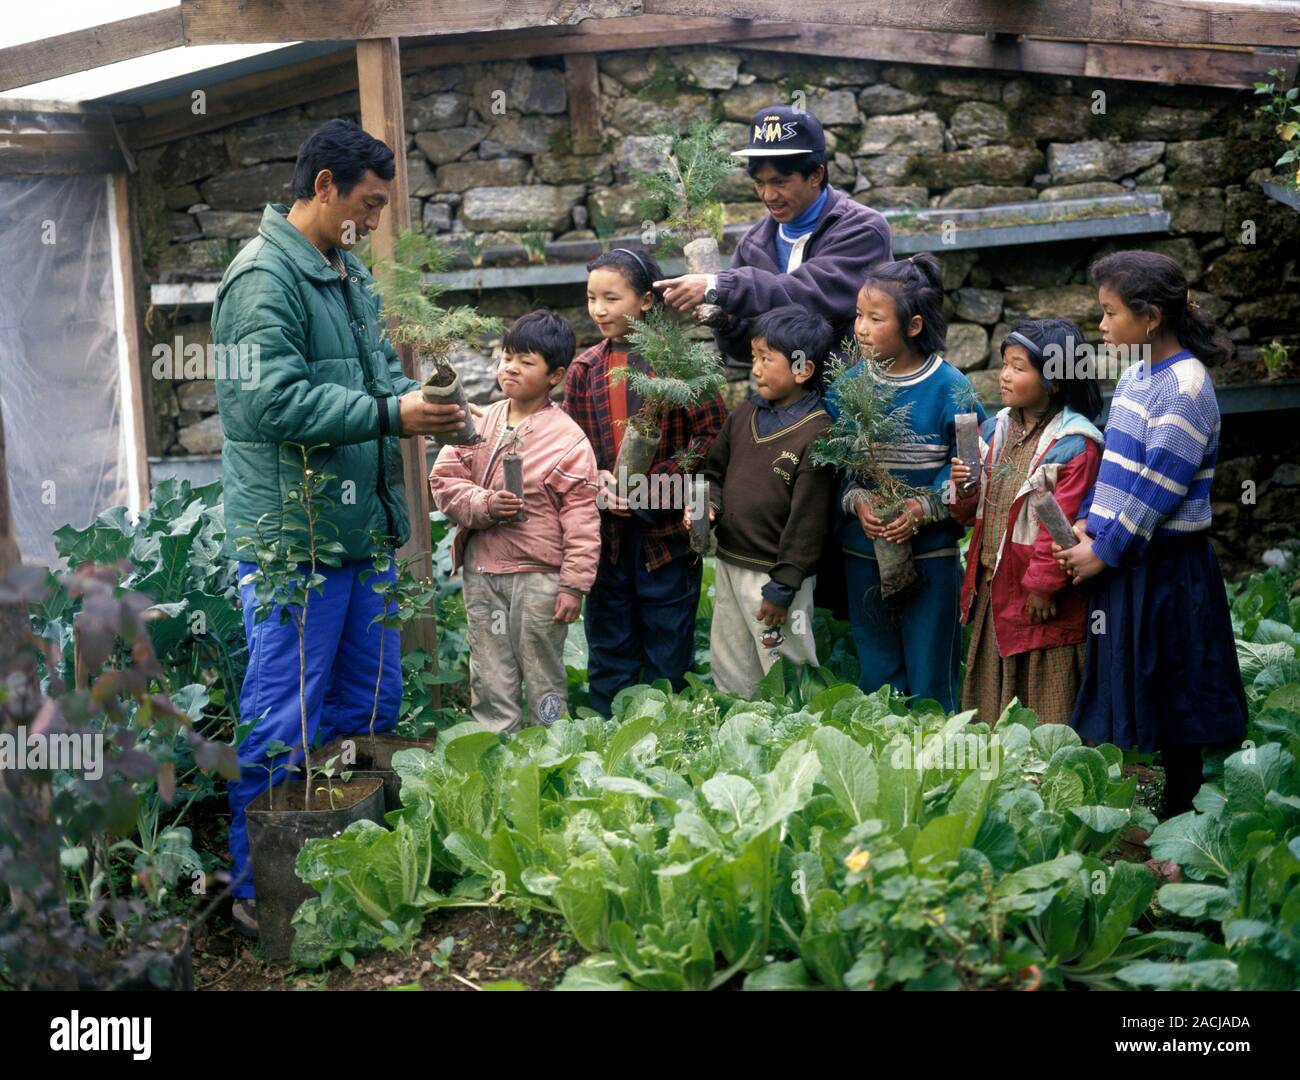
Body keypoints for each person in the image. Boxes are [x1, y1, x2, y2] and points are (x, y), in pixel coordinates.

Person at [212, 118, 469, 935]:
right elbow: (263, 402)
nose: (375, 219)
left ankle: (348, 874)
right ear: (324, 186)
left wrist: (425, 408)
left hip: (357, 536)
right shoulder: (259, 279)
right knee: (286, 713)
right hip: (298, 542)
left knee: (367, 708)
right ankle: (261, 894)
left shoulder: (347, 271)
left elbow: (381, 378)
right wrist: (392, 412)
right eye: (369, 201)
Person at [656, 105, 893, 625]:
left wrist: (723, 285)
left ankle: (863, 652)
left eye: (781, 180)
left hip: (849, 410)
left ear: (816, 175)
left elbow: (808, 294)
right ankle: (794, 636)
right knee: (786, 527)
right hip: (778, 417)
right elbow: (747, 348)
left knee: (853, 528)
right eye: (760, 182)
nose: (769, 195)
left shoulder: (861, 229)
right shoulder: (755, 242)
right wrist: (720, 315)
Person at [1055, 250, 1248, 817]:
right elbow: (1118, 462)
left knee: (1178, 691)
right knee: (1143, 681)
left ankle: (1181, 815)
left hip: (1168, 565)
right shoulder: (1138, 374)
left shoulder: (1187, 387)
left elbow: (1158, 489)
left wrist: (1104, 551)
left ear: (1151, 316)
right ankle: (1144, 809)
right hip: (1130, 556)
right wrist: (1090, 515)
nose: (1102, 326)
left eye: (1110, 314)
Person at [562, 248, 727, 717]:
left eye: (611, 298)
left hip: (666, 535)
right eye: (592, 297)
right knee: (609, 642)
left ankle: (665, 734)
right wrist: (599, 485)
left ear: (647, 302)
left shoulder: (680, 365)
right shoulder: (584, 370)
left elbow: (711, 438)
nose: (598, 310)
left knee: (666, 642)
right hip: (607, 536)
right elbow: (572, 448)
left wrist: (648, 486)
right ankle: (604, 735)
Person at [429, 310, 599, 734]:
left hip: (539, 579)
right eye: (507, 357)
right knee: (489, 672)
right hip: (484, 572)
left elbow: (581, 518)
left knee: (543, 673)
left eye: (526, 361)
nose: (511, 368)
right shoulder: (478, 422)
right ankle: (495, 751)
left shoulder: (568, 439)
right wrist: (484, 504)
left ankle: (553, 749)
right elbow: (444, 479)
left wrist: (573, 585)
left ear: (555, 375)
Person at [833, 254, 986, 712]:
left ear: (914, 325)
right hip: (863, 551)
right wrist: (858, 500)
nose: (860, 327)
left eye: (875, 318)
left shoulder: (950, 387)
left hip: (932, 557)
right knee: (878, 669)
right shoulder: (848, 386)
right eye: (858, 315)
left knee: (930, 668)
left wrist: (921, 509)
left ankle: (938, 756)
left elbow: (970, 467)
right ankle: (885, 753)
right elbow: (835, 464)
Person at [949, 319, 1104, 726]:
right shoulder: (995, 430)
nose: (1004, 375)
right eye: (1004, 364)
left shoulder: (1074, 446)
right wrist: (962, 488)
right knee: (992, 683)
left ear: (1054, 381)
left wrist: (1042, 587)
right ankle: (1003, 775)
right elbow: (967, 514)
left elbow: (1063, 523)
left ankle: (1050, 774)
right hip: (994, 582)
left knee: (1043, 683)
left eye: (1019, 367)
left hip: (1039, 597)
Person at [696, 305, 837, 697]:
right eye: (754, 357)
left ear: (802, 370)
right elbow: (713, 473)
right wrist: (707, 505)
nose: (755, 368)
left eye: (765, 359)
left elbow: (810, 521)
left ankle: (795, 734)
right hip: (728, 562)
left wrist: (783, 586)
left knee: (783, 665)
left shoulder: (818, 432)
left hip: (774, 576)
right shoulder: (743, 416)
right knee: (731, 660)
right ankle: (737, 725)